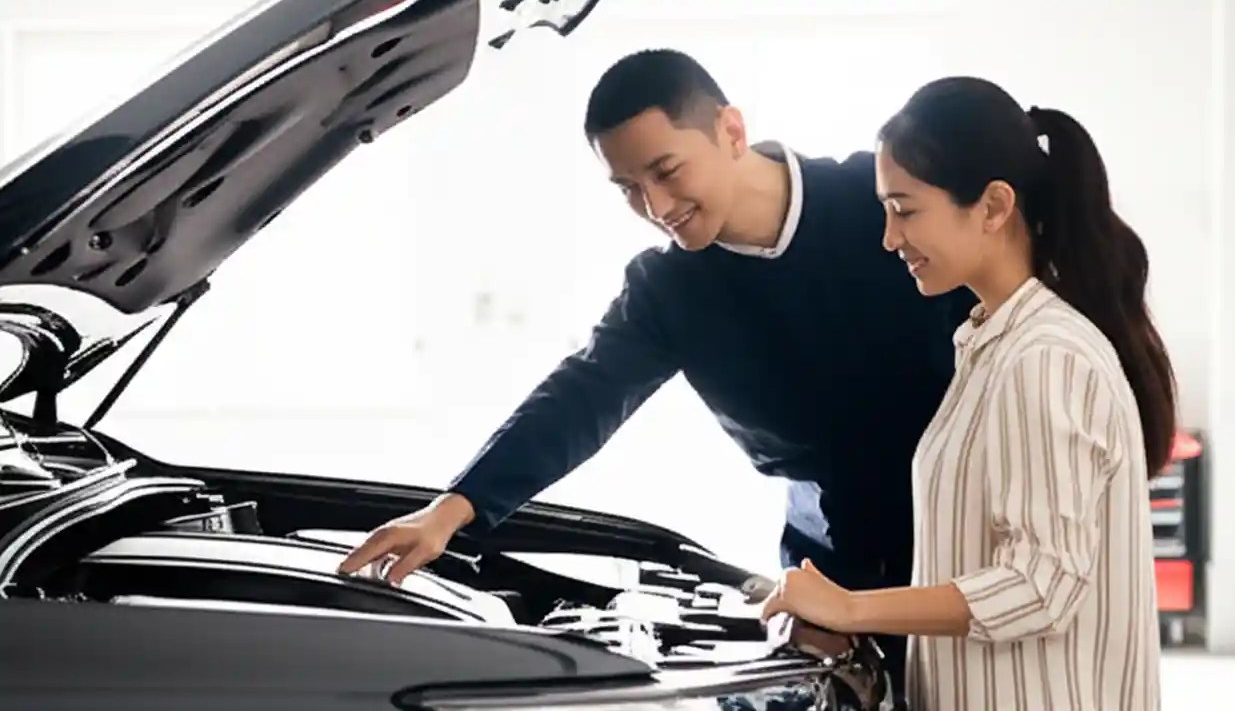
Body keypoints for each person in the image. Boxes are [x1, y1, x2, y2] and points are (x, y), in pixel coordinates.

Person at [338, 49, 970, 696]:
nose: (656, 205)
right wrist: (451, 509)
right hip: (832, 573)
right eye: (628, 188)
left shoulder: (882, 199)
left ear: (731, 131)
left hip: (976, 537)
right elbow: (581, 396)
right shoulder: (669, 291)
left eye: (666, 171)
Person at [759, 76, 1174, 711]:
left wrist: (849, 606)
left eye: (905, 210)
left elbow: (1040, 585)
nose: (890, 238)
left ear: (993, 206)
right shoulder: (993, 343)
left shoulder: (1043, 356)